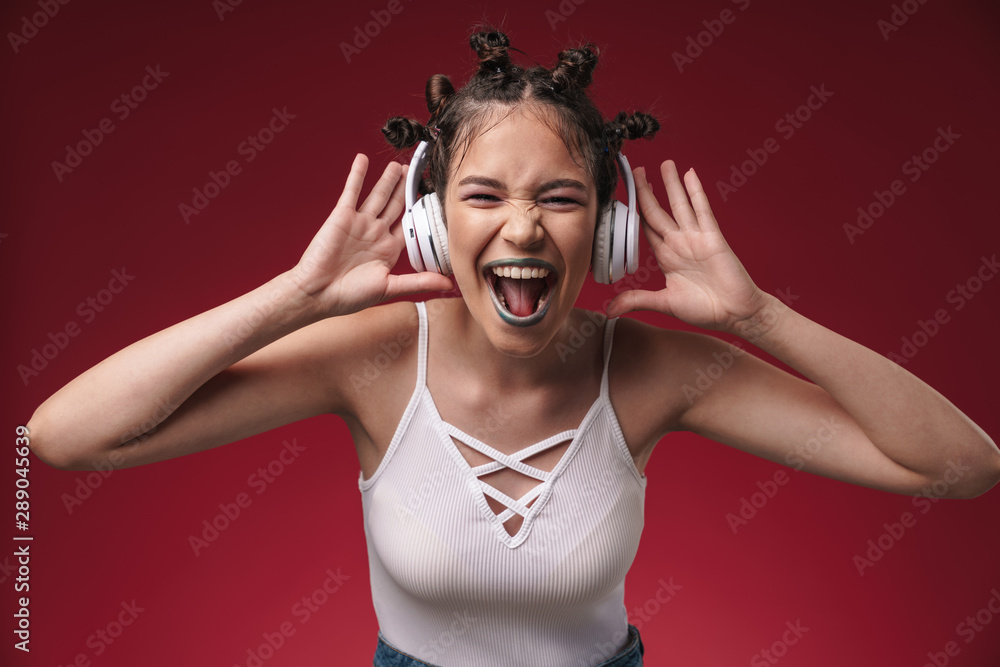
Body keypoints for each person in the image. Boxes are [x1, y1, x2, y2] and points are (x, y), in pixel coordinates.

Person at [26, 28, 1000, 667]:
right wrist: (294, 299)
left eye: (561, 198)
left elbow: (960, 467)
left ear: (608, 229)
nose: (523, 229)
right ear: (431, 223)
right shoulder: (369, 358)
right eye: (483, 195)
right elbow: (66, 436)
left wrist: (758, 318)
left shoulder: (653, 370)